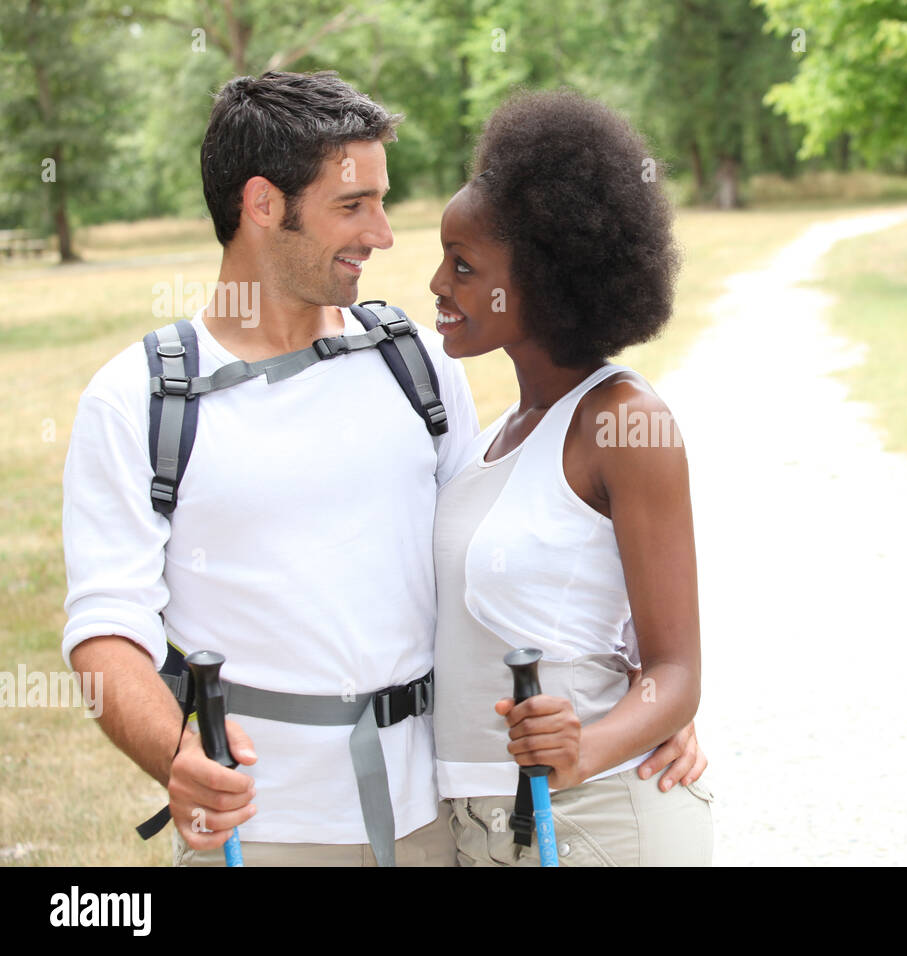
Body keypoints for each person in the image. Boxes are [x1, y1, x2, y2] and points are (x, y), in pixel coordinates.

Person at [61, 71, 703, 867]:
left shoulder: (417, 365)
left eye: (383, 200)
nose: (384, 234)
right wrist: (177, 756)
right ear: (263, 204)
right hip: (264, 828)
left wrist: (648, 697)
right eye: (353, 204)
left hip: (437, 818)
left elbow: (501, 557)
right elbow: (105, 632)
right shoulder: (139, 399)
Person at [428, 88, 713, 866]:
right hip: (482, 826)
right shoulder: (495, 438)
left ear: (546, 278)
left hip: (597, 821)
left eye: (462, 265)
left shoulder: (627, 420)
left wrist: (588, 745)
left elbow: (676, 673)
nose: (436, 285)